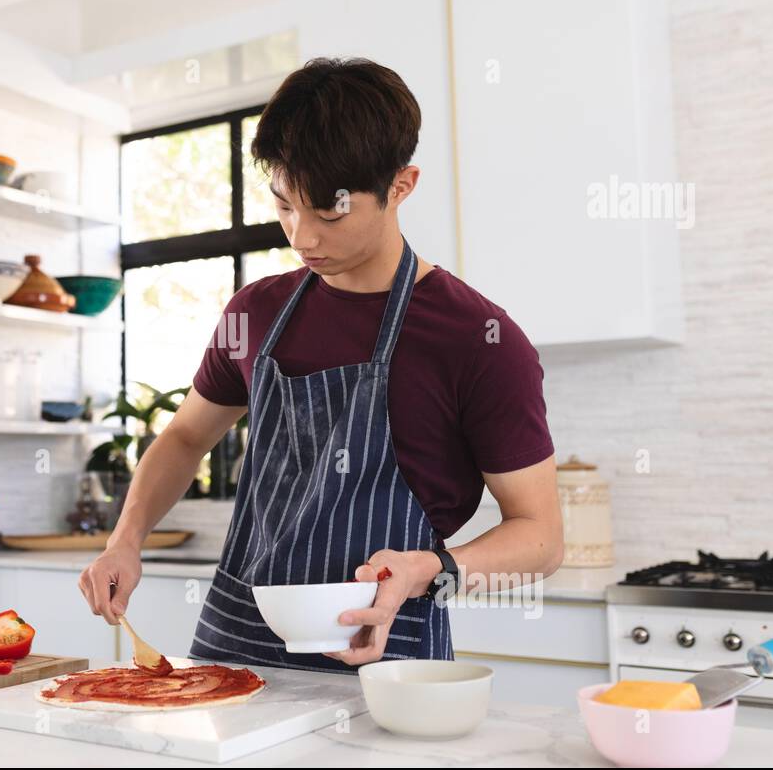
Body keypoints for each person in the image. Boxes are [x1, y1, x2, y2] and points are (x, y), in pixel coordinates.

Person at [79, 57, 562, 672]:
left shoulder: (478, 339)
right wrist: (126, 541)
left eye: (329, 213)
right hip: (234, 646)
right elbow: (183, 437)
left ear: (401, 185)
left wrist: (432, 571)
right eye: (284, 207)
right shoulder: (255, 311)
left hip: (388, 656)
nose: (301, 237)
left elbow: (542, 539)